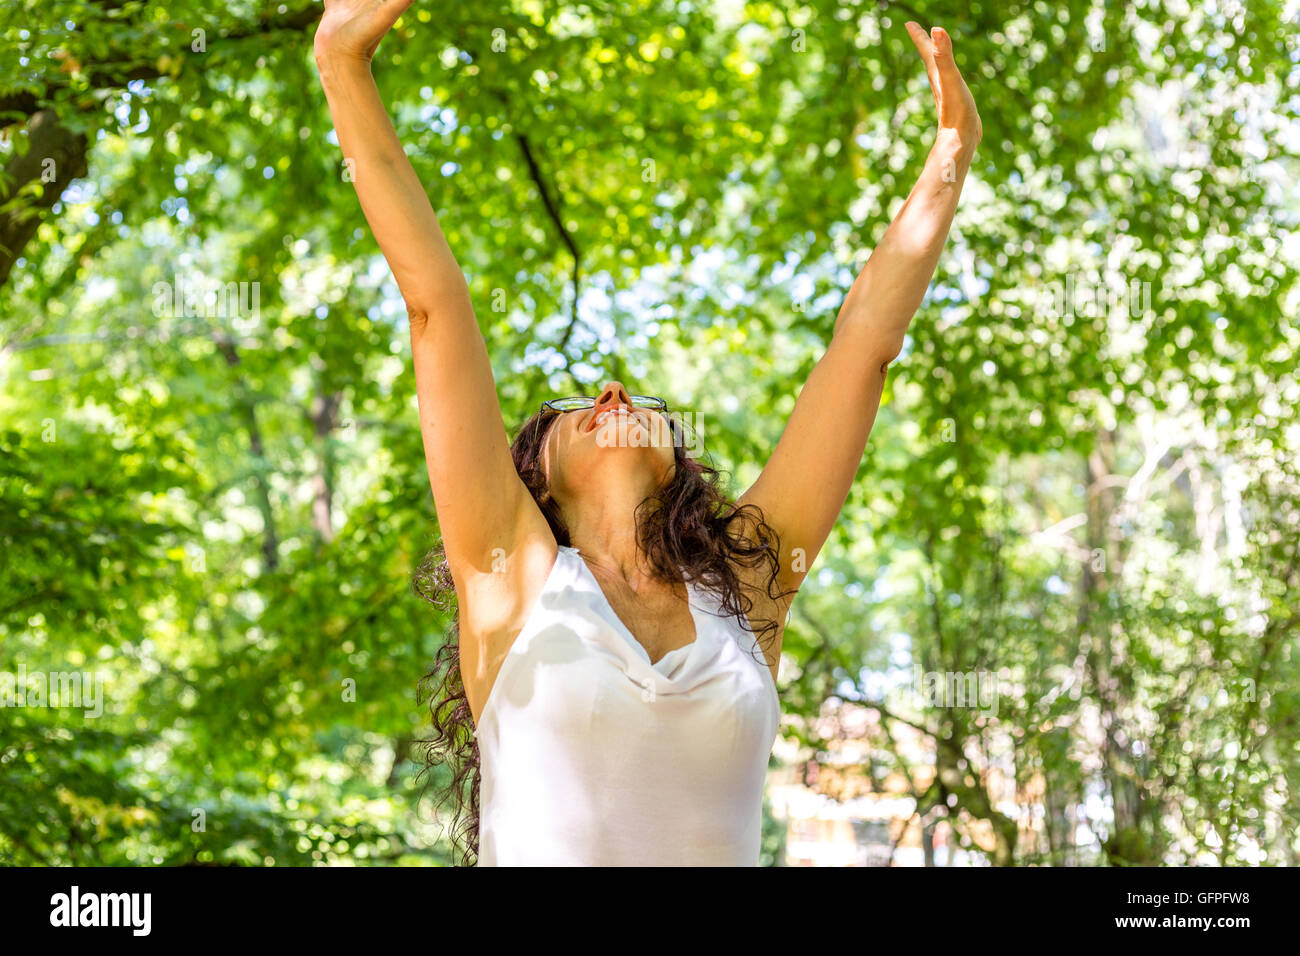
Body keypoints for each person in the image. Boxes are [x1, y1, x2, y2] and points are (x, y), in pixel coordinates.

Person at [313, 0, 981, 866]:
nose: (613, 389)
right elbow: (435, 303)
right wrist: (343, 66)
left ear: (678, 465)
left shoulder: (747, 587)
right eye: (567, 410)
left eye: (633, 397)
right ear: (536, 483)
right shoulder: (510, 574)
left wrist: (946, 165)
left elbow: (862, 351)